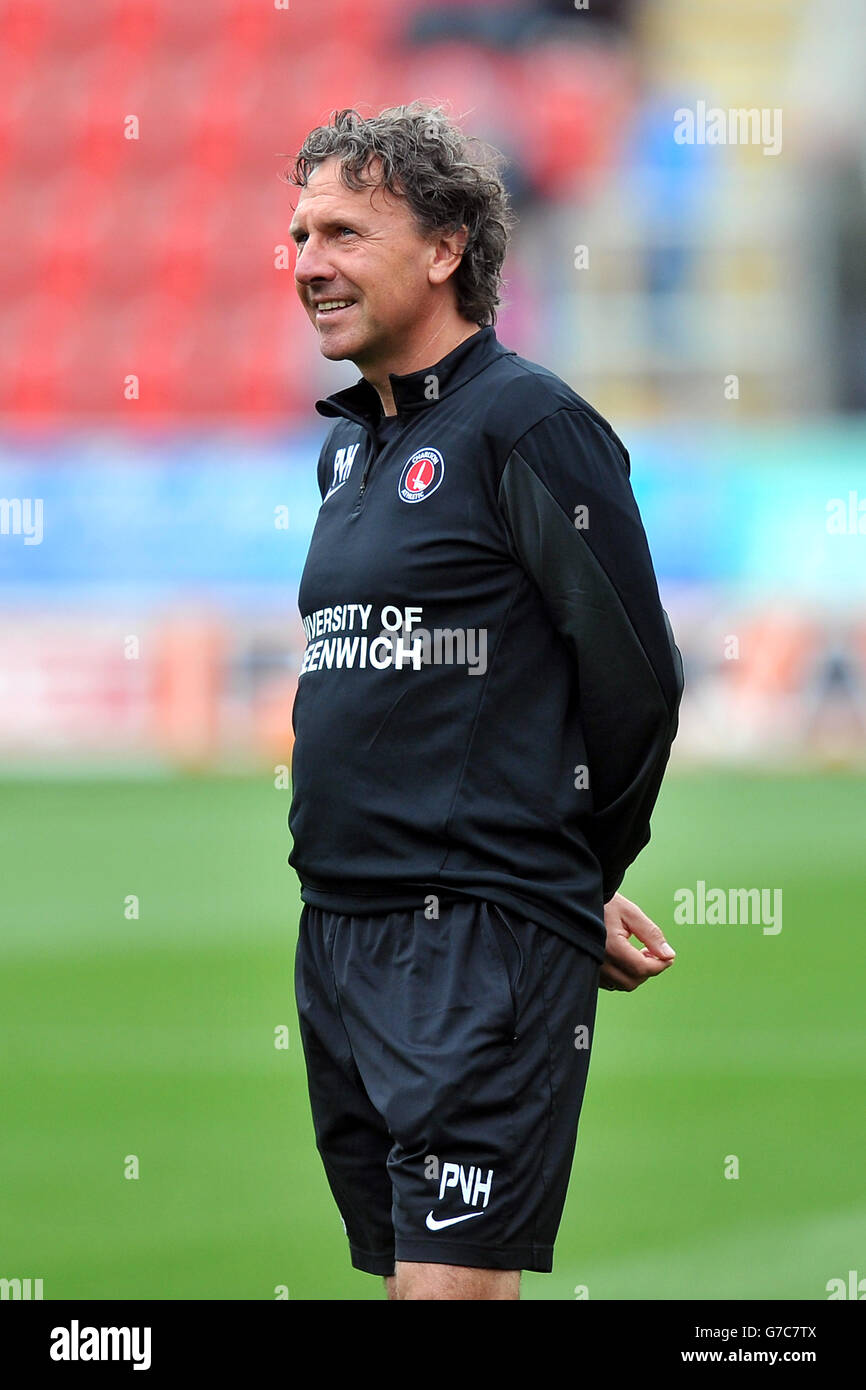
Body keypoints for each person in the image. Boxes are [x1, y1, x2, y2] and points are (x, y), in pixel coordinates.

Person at [284, 102, 684, 1301]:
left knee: (445, 1292)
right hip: (340, 935)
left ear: (447, 246)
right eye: (298, 235)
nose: (308, 264)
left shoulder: (528, 425)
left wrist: (567, 880)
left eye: (345, 233)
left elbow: (636, 680)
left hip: (474, 937)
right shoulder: (346, 451)